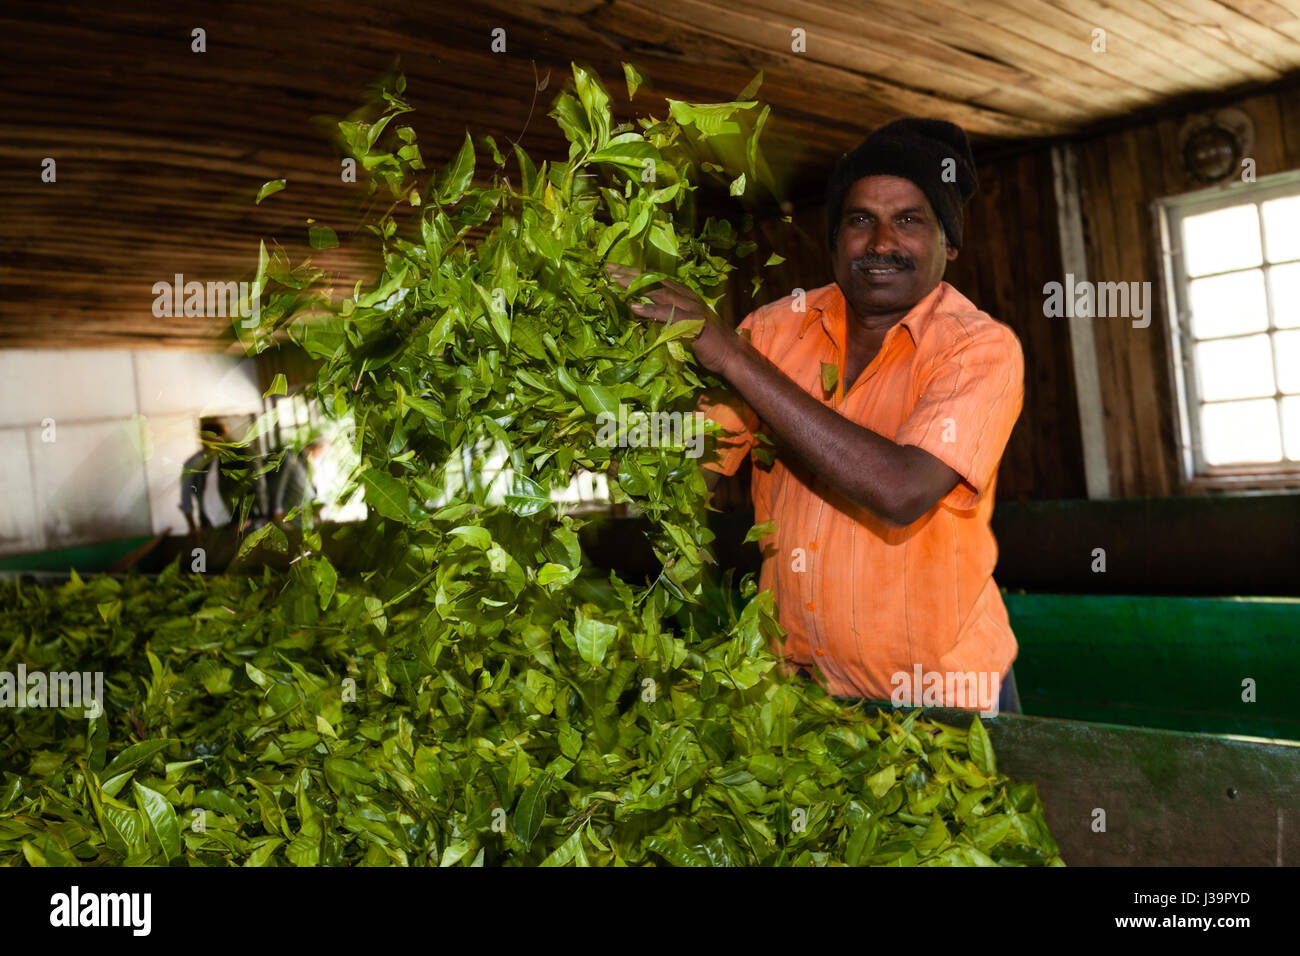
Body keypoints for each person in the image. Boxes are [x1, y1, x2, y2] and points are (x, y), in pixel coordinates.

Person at [606, 118, 1024, 715]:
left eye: (909, 219)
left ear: (948, 244)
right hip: (800, 696)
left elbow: (900, 489)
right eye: (859, 220)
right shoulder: (776, 331)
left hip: (944, 700)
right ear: (833, 240)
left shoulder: (978, 349)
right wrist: (615, 401)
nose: (881, 242)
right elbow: (688, 469)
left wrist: (729, 355)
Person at [178, 420, 231, 535]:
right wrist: (193, 529)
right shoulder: (195, 463)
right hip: (213, 521)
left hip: (231, 521)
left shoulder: (229, 458)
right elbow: (186, 498)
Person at [272, 437, 328, 527]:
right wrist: (276, 510)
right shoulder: (290, 457)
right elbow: (278, 486)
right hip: (289, 518)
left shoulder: (305, 462)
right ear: (317, 449)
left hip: (301, 519)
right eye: (323, 453)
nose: (321, 457)